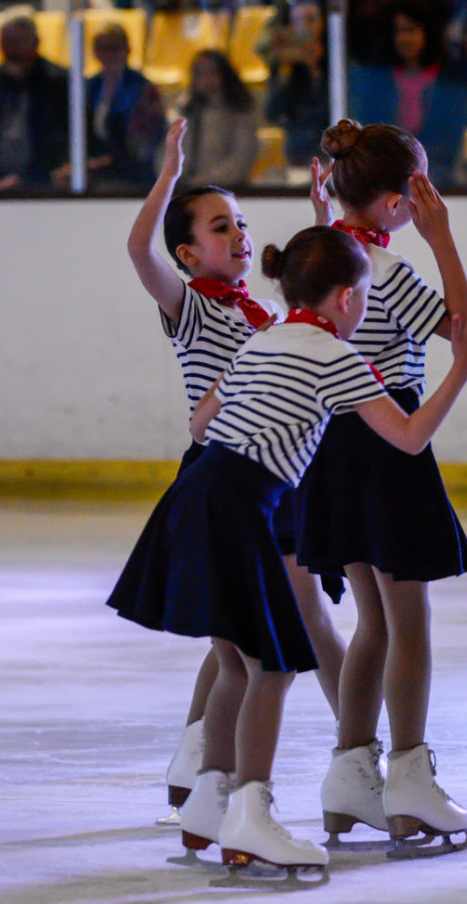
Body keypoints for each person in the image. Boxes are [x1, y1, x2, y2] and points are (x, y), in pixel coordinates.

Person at [109, 224, 467, 870]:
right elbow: (408, 438)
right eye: (364, 297)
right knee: (274, 667)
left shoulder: (262, 339)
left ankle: (211, 802)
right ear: (345, 298)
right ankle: (251, 818)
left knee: (236, 665)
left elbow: (201, 423)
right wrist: (463, 365)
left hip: (197, 494)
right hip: (241, 507)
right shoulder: (337, 356)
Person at [124, 119, 348, 828]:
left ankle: (205, 759)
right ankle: (355, 753)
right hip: (225, 471)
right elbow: (139, 250)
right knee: (277, 628)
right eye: (221, 227)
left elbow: (323, 297)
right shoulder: (190, 307)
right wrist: (168, 177)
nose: (240, 234)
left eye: (243, 222)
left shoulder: (270, 311)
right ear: (189, 253)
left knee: (255, 628)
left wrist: (323, 219)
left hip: (280, 472)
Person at [301, 119, 467, 851]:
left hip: (335, 443)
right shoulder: (387, 268)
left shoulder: (327, 253)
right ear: (400, 199)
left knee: (373, 622)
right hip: (389, 436)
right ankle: (409, 783)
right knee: (409, 624)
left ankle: (350, 777)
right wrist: (443, 240)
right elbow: (462, 327)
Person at [347, 0, 467, 181]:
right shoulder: (377, 81)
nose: (403, 38)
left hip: (438, 180)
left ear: (427, 32)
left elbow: (451, 142)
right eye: (398, 31)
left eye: (410, 30)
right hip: (384, 181)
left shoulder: (450, 83)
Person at [0, 13, 68, 191]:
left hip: (46, 185)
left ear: (36, 42)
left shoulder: (58, 81)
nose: (12, 48)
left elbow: (62, 137)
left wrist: (31, 178)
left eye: (19, 41)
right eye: (6, 41)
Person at [82, 22, 165, 190]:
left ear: (127, 50)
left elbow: (144, 142)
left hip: (131, 174)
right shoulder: (90, 86)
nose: (109, 54)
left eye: (114, 48)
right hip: (95, 171)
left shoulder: (143, 88)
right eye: (103, 48)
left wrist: (108, 160)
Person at [178, 50, 258, 189]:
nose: (206, 79)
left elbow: (241, 159)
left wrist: (205, 180)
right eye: (200, 74)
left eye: (212, 72)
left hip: (227, 191)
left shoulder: (239, 112)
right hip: (187, 190)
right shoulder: (186, 112)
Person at [263, 1, 330, 167]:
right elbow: (272, 112)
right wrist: (282, 71)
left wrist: (315, 66)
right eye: (298, 21)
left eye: (311, 19)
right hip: (299, 154)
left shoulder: (337, 63)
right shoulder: (288, 72)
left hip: (332, 151)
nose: (306, 27)